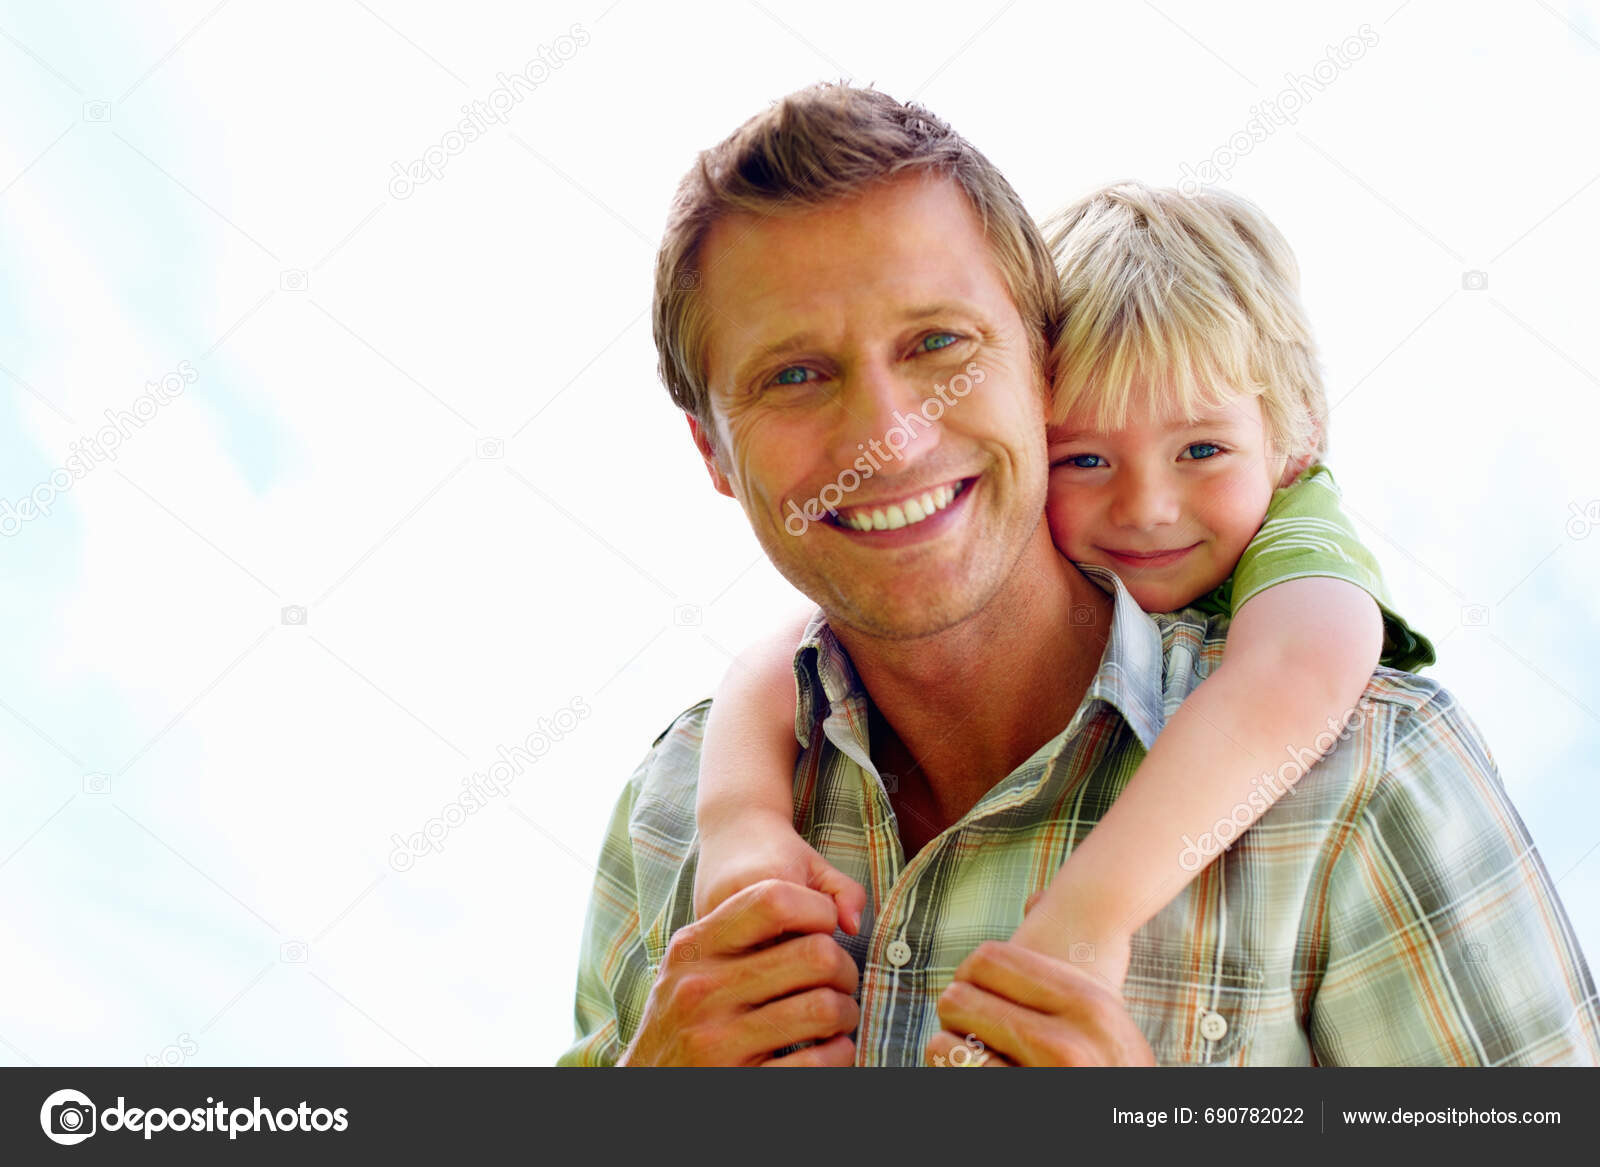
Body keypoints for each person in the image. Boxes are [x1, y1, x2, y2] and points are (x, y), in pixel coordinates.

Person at [557, 83, 1598, 1067]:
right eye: (793, 375)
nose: (890, 434)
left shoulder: (1367, 773)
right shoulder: (672, 807)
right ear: (711, 454)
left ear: (1036, 359)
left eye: (937, 344)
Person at [691, 181, 1437, 997]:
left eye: (1202, 451)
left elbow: (1290, 675)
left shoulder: (1301, 534)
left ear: (1294, 437)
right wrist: (740, 822)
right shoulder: (984, 535)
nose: (1147, 509)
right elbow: (794, 649)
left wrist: (1093, 910)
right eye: (1085, 458)